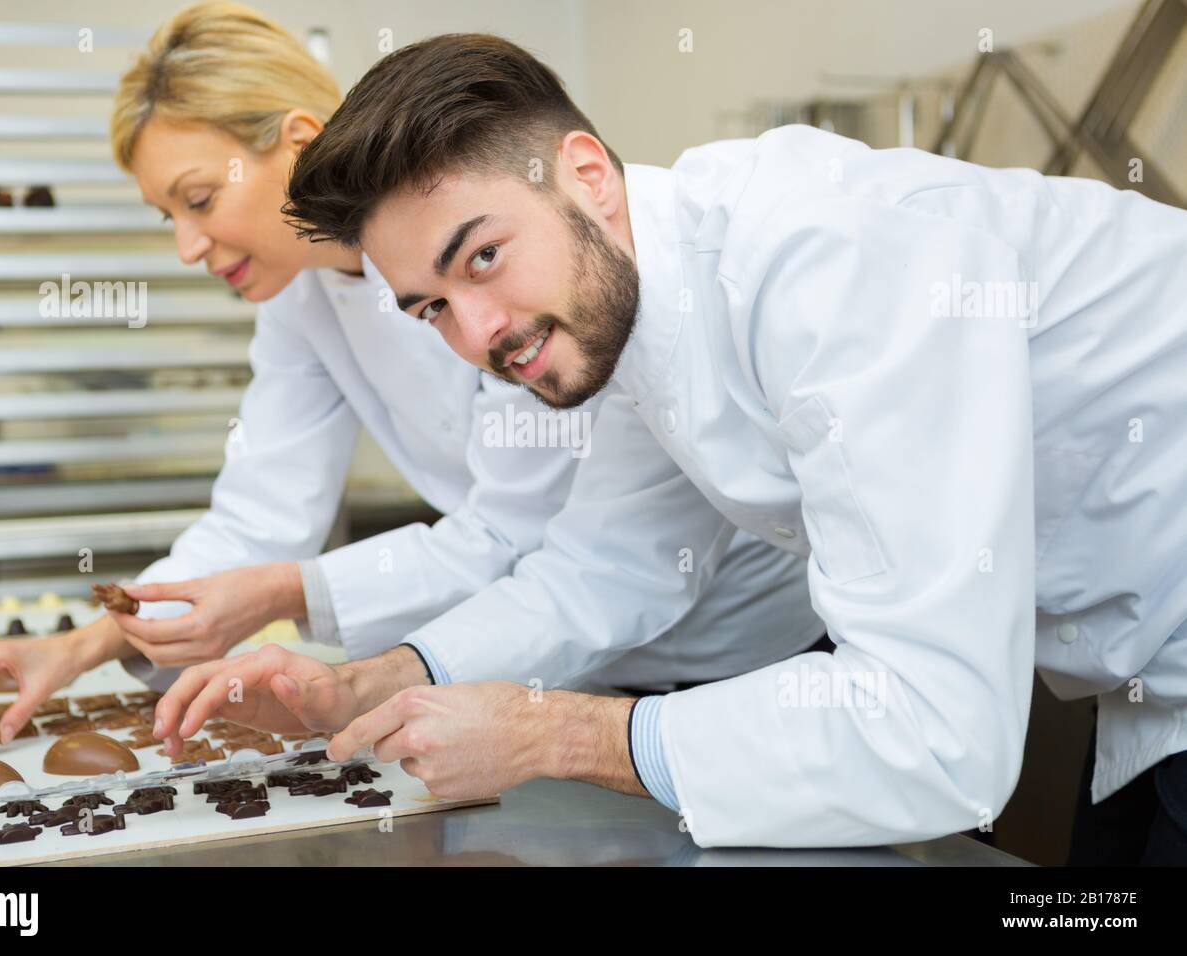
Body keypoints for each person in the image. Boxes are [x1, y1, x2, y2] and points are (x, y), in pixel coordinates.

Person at [161, 32, 1187, 861]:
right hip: (1137, 675)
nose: (476, 336)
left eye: (482, 255)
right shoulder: (632, 311)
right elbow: (603, 568)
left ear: (586, 174)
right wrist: (371, 681)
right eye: (431, 305)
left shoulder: (832, 261)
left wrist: (552, 730)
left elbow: (932, 730)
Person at [0, 7, 824, 747]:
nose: (189, 246)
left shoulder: (511, 279)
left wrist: (287, 597)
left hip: (731, 653)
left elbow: (518, 537)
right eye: (168, 218)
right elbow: (258, 517)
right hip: (554, 643)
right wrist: (83, 646)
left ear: (297, 140)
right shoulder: (303, 301)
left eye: (199, 200)